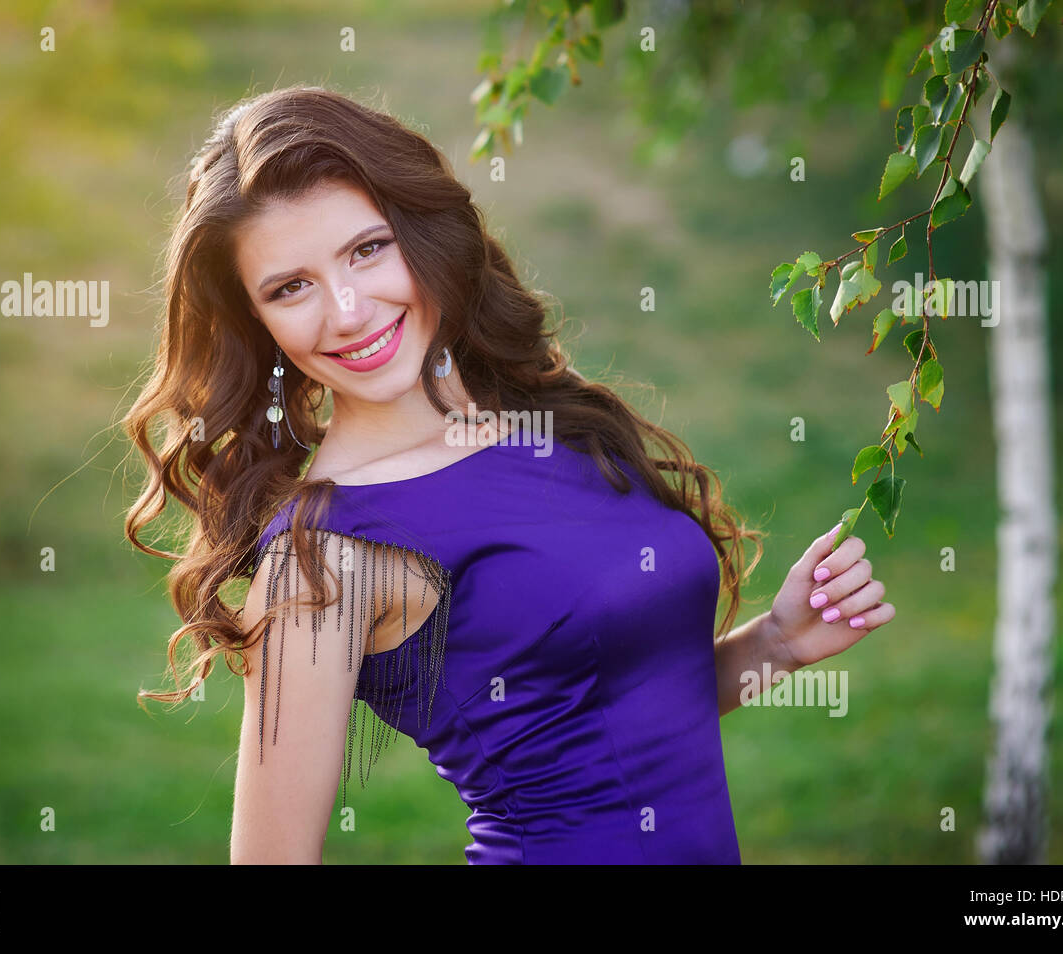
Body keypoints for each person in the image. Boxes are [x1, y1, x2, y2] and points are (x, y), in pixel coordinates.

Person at [123, 84, 896, 864]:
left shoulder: (546, 421)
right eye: (291, 288)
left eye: (368, 249)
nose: (349, 310)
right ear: (256, 320)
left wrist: (780, 644)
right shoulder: (324, 557)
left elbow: (612, 718)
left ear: (425, 234)